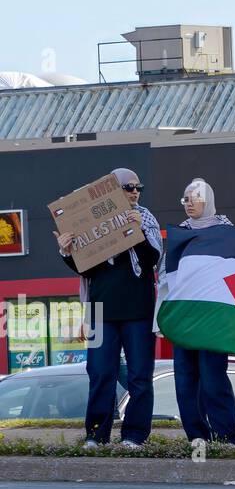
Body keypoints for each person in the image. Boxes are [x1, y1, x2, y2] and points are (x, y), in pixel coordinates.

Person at [52, 167, 161, 449]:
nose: (135, 192)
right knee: (100, 373)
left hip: (138, 310)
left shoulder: (145, 218)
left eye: (138, 187)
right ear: (113, 191)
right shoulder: (89, 223)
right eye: (128, 187)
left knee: (139, 376)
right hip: (100, 311)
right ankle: (96, 436)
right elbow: (84, 268)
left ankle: (135, 436)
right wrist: (67, 249)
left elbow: (151, 260)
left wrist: (136, 231)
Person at [170, 178, 235, 445]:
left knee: (213, 379)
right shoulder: (179, 234)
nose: (189, 203)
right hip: (184, 318)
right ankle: (197, 437)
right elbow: (167, 277)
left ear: (209, 199)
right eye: (185, 198)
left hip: (213, 319)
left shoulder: (228, 233)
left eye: (195, 197)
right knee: (185, 381)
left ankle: (228, 436)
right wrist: (162, 317)